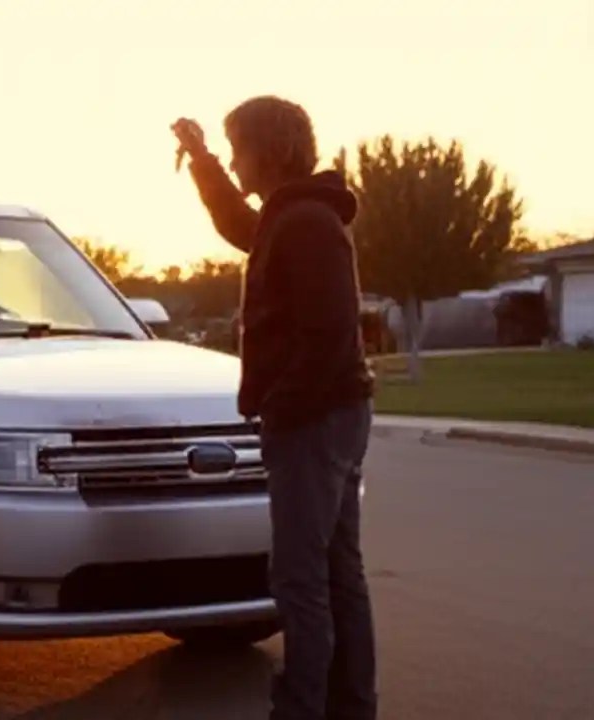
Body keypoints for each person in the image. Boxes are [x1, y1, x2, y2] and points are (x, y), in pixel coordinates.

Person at [172, 97, 377, 720]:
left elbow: (329, 335)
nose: (235, 166)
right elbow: (237, 223)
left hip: (315, 419)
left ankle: (303, 707)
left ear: (273, 150)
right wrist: (202, 158)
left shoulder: (308, 223)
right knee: (337, 571)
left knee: (300, 577)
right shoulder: (290, 217)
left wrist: (282, 407)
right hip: (329, 413)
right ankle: (349, 705)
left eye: (238, 151)